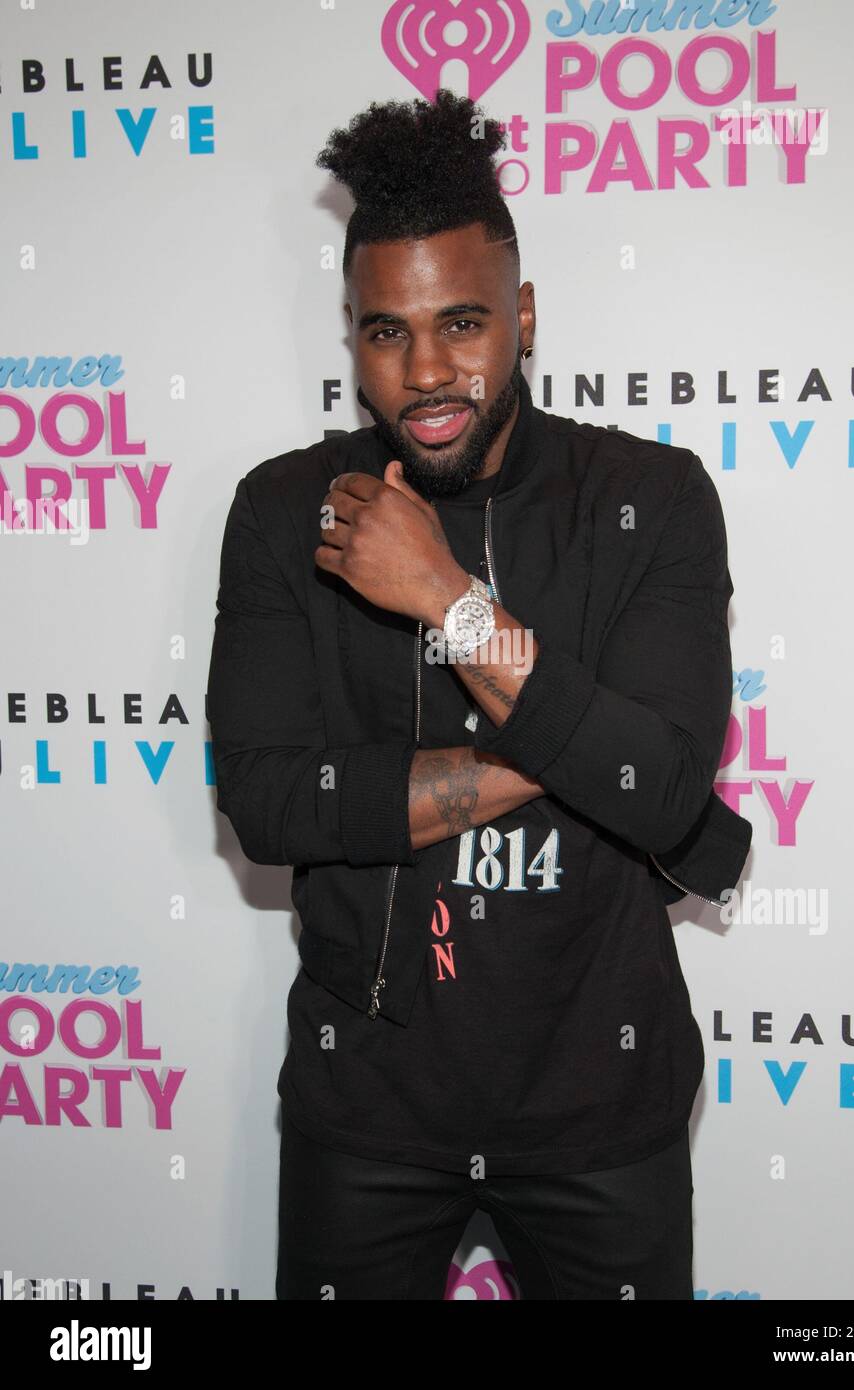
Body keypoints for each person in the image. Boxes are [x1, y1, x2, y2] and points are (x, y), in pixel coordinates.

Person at [206, 89, 752, 1301]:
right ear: (350, 339)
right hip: (370, 1104)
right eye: (385, 333)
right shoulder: (282, 507)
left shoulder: (654, 498)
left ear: (526, 315)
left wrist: (445, 596)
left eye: (462, 322)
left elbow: (659, 788)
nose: (429, 371)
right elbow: (269, 801)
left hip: (598, 1102)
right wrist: (572, 736)